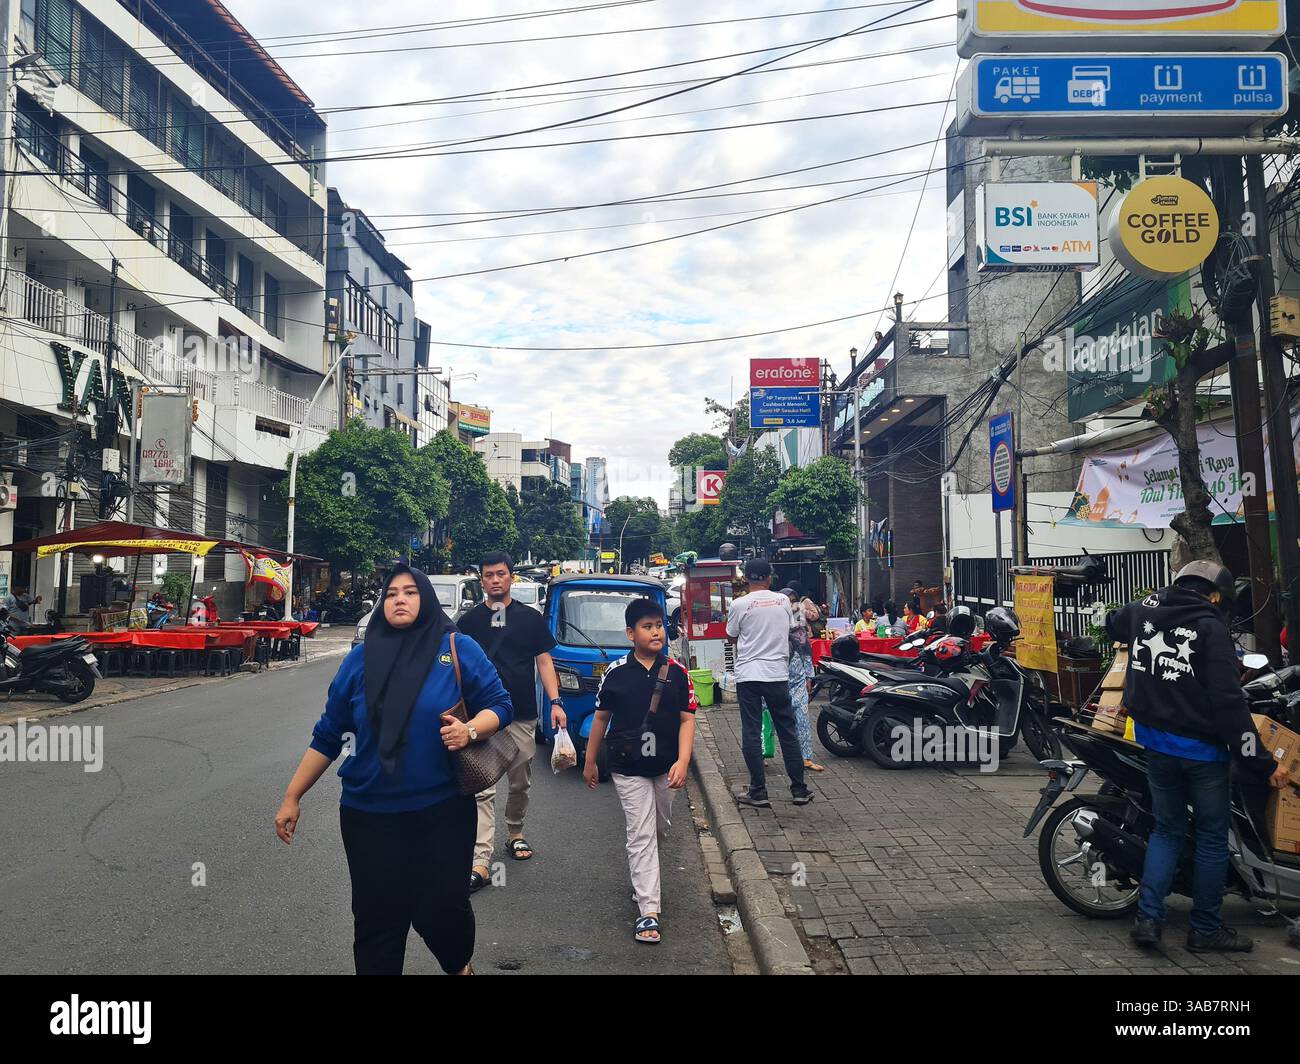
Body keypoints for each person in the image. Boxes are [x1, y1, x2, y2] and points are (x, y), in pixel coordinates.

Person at [275, 565, 512, 975]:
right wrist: (292, 796)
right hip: (368, 814)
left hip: (440, 810)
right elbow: (329, 734)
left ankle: (460, 966)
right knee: (377, 921)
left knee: (441, 912)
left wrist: (470, 729)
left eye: (410, 592)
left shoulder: (456, 648)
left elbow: (501, 704)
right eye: (391, 594)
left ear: (426, 601)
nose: (399, 599)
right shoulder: (359, 661)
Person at [1106, 560, 1290, 954]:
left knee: (1167, 831)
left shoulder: (1145, 612)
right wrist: (1263, 762)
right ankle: (1205, 930)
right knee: (1210, 840)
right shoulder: (1211, 629)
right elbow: (1229, 705)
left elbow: (1113, 622)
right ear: (1214, 596)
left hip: (1156, 745)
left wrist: (1148, 605)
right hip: (1203, 756)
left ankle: (1148, 921)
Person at [583, 598, 697, 944]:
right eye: (647, 627)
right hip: (627, 768)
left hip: (666, 767)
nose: (656, 632)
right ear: (631, 633)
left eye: (659, 625)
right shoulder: (615, 674)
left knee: (660, 828)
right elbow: (600, 720)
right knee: (641, 833)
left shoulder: (678, 672)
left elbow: (687, 719)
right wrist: (589, 761)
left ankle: (643, 881)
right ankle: (648, 911)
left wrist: (683, 761)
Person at [458, 552, 565, 891]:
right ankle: (480, 859)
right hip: (482, 715)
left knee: (520, 781)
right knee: (482, 788)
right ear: (482, 580)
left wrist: (555, 702)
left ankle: (515, 831)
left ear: (511, 578)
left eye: (500, 574)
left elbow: (544, 663)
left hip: (521, 713)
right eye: (488, 575)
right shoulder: (469, 622)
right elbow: (456, 668)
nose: (495, 580)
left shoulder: (530, 618)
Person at [726, 558, 813, 808]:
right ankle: (799, 789)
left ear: (747, 578)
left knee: (752, 731)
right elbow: (789, 630)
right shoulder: (783, 601)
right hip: (777, 674)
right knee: (787, 731)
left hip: (749, 675)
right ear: (769, 578)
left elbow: (731, 636)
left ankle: (758, 791)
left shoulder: (739, 604)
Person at [782, 587, 825, 773]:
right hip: (777, 679)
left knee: (802, 718)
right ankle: (760, 754)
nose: (791, 605)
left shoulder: (800, 629)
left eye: (794, 601)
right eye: (787, 601)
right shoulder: (774, 623)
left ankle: (806, 758)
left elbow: (807, 652)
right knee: (766, 717)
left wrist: (809, 677)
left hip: (798, 679)